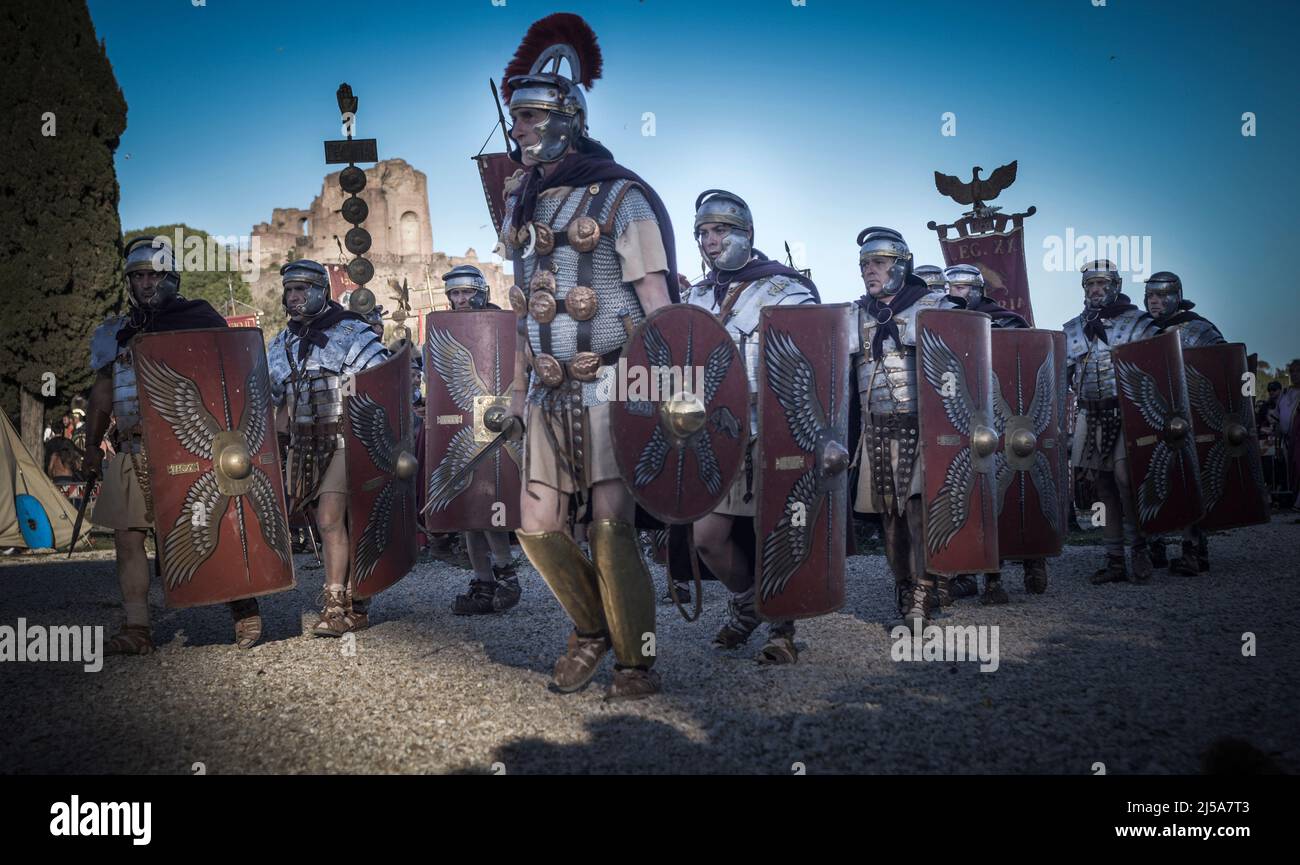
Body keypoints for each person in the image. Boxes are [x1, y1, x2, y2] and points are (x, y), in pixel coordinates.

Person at [499, 13, 679, 699]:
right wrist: (516, 391)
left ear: (568, 117)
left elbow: (658, 301)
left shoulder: (620, 194)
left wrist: (672, 385)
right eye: (516, 117)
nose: (520, 128)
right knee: (535, 528)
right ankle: (592, 626)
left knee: (611, 525)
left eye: (533, 115)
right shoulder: (525, 205)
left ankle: (638, 662)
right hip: (546, 393)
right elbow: (523, 313)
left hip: (612, 384)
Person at [84, 237, 263, 654]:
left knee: (210, 527)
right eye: (138, 276)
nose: (145, 284)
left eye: (153, 275)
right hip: (132, 448)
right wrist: (92, 446)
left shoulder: (198, 317)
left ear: (170, 277)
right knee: (129, 537)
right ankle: (137, 628)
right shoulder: (114, 333)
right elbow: (102, 395)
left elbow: (228, 378)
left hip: (193, 449)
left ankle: (243, 608)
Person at [684, 190, 819, 663]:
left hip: (774, 432)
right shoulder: (695, 296)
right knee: (708, 537)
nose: (709, 240)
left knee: (774, 531)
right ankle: (747, 603)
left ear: (745, 234)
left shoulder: (786, 290)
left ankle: (782, 624)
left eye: (719, 230)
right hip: (717, 435)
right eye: (702, 232)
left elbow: (809, 367)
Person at [267, 260, 390, 636]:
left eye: (301, 288)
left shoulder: (353, 332)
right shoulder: (282, 343)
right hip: (303, 445)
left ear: (321, 290)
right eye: (289, 290)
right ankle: (359, 600)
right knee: (334, 522)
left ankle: (335, 604)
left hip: (344, 439)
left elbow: (377, 387)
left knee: (329, 519)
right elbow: (276, 398)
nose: (294, 296)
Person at [851, 228, 955, 625]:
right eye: (863, 265)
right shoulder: (856, 314)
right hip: (876, 432)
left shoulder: (935, 308)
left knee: (918, 513)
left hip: (922, 431)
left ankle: (924, 589)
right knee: (890, 521)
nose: (868, 271)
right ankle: (904, 583)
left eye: (877, 263)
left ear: (900, 265)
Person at [942, 264, 1048, 602]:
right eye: (950, 288)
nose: (953, 295)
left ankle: (1034, 558)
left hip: (1012, 422)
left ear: (975, 290)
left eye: (959, 289)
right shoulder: (947, 325)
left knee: (1021, 494)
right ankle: (989, 578)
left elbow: (1027, 368)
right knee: (982, 498)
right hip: (972, 423)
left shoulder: (1006, 321)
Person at [1063, 260, 1160, 584]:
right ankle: (1114, 559)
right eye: (1090, 285)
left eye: (1102, 284)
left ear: (1115, 286)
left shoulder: (1139, 323)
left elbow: (1159, 368)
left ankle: (1140, 547)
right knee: (1103, 486)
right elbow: (1062, 375)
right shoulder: (1074, 328)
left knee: (1125, 479)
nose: (1096, 290)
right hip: (1090, 413)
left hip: (1126, 412)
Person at [438, 264, 523, 615]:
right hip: (465, 429)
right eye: (454, 294)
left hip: (500, 430)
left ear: (481, 292)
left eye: (466, 292)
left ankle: (506, 575)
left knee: (490, 509)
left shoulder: (502, 325)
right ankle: (483, 582)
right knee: (467, 512)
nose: (460, 300)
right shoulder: (447, 327)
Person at [1144, 271, 1225, 574]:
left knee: (1189, 481)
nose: (1156, 301)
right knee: (1151, 478)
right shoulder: (1144, 330)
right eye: (1151, 295)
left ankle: (1193, 549)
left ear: (1177, 296)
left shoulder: (1199, 329)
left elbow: (1222, 369)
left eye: (1163, 295)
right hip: (1152, 419)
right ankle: (1156, 544)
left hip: (1189, 420)